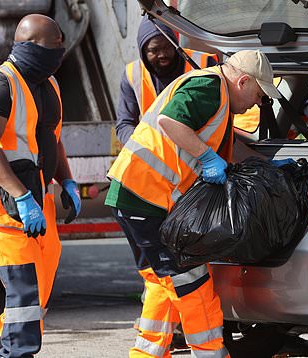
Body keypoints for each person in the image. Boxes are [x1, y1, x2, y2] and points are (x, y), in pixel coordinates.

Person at [106, 49, 281, 357]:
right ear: (242, 81)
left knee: (163, 281)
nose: (258, 102)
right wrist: (207, 157)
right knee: (192, 279)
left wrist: (271, 165)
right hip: (146, 195)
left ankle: (146, 353)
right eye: (258, 93)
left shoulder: (220, 99)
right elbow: (169, 120)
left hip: (140, 196)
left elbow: (233, 147)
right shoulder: (210, 87)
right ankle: (211, 353)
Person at [0, 14, 81, 358]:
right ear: (30, 46)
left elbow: (53, 139)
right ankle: (15, 354)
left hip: (39, 203)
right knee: (25, 292)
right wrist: (21, 196)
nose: (59, 53)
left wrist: (69, 181)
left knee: (41, 291)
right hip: (5, 206)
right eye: (54, 46)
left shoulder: (51, 84)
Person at [115, 16, 218, 143]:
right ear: (143, 51)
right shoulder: (133, 75)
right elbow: (124, 124)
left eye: (167, 47)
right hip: (157, 152)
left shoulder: (203, 64)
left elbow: (221, 111)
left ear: (175, 44)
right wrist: (142, 145)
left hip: (202, 146)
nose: (162, 54)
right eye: (154, 50)